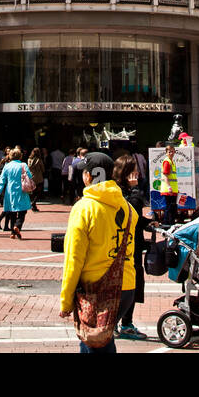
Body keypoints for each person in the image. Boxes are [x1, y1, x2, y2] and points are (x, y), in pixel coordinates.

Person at [58, 151, 138, 353]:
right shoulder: (128, 208)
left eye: (84, 172)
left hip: (97, 290)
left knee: (94, 342)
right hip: (126, 286)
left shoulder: (84, 208)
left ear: (89, 176)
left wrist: (66, 300)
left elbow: (73, 260)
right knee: (98, 341)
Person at [113, 153, 150, 340]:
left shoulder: (125, 190)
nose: (137, 172)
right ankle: (120, 323)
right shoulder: (120, 192)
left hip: (133, 243)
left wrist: (149, 223)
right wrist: (136, 191)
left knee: (133, 283)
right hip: (125, 245)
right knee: (126, 284)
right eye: (133, 169)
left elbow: (136, 219)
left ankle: (126, 322)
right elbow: (131, 213)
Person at [0, 147, 32, 239]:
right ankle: (17, 226)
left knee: (12, 212)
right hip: (21, 191)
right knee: (22, 212)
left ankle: (12, 232)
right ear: (20, 156)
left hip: (10, 191)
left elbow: (2, 180)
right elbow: (30, 175)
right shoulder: (23, 165)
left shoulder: (7, 166)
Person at [27, 147, 45, 213]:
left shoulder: (29, 159)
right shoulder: (39, 160)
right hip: (39, 177)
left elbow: (28, 167)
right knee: (39, 192)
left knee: (33, 192)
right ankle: (33, 203)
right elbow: (43, 169)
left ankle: (34, 205)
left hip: (32, 177)